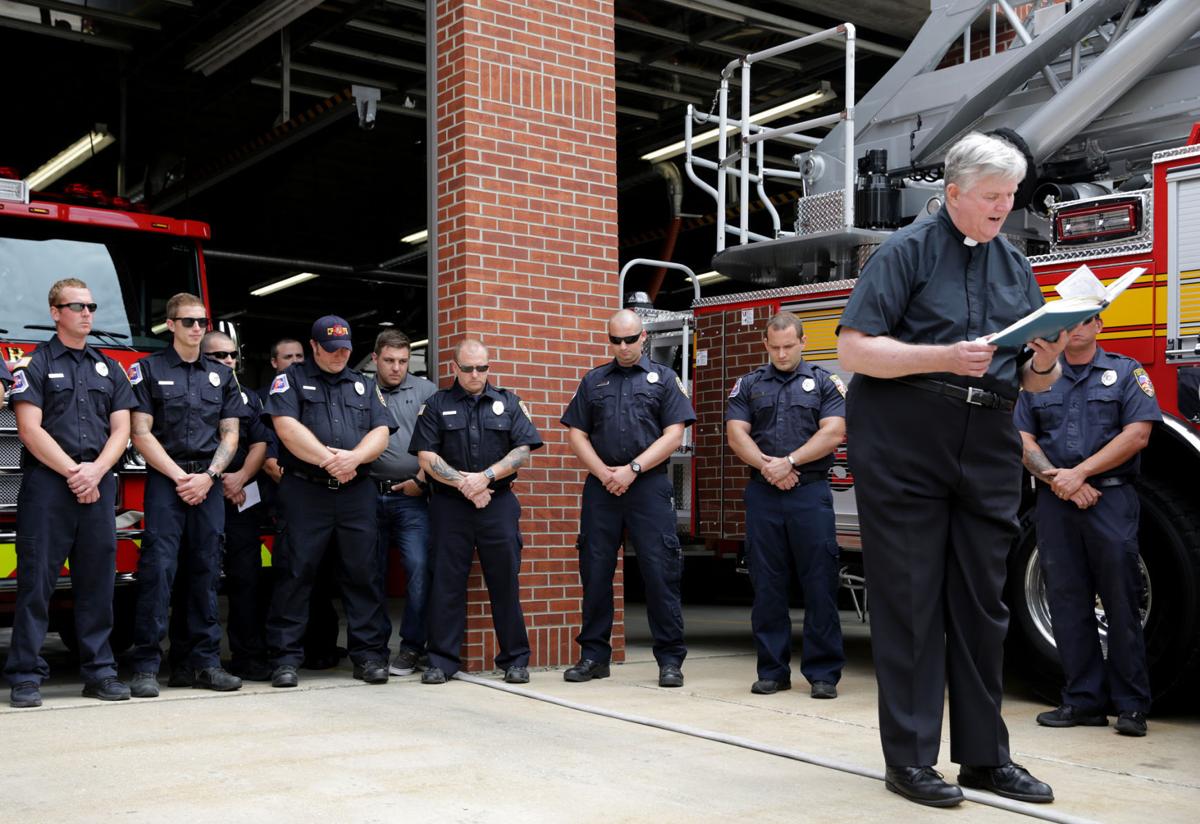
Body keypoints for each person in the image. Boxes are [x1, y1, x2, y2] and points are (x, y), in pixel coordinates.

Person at [836, 132, 1065, 808]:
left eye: (1011, 196)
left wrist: (1047, 355)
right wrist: (940, 357)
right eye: (992, 196)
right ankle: (909, 759)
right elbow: (855, 350)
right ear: (954, 192)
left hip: (989, 435)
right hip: (908, 436)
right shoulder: (902, 253)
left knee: (982, 605)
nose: (1004, 207)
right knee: (910, 602)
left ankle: (985, 759)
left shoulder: (1015, 266)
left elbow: (1035, 380)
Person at [1015, 314, 1160, 737]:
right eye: (1067, 322)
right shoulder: (1035, 375)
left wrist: (1079, 474)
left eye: (1084, 321)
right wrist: (1058, 480)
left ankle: (1131, 706)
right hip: (1055, 499)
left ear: (1099, 326)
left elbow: (1137, 434)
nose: (1074, 329)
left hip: (1110, 498)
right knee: (1066, 600)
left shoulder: (1125, 371)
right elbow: (1021, 438)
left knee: (1121, 598)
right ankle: (1082, 702)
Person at [4, 279, 137, 707]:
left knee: (98, 583)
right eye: (76, 306)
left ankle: (100, 671)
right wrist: (73, 473)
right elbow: (28, 429)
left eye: (91, 306)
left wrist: (96, 471)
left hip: (99, 483)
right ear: (55, 312)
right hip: (49, 486)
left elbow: (123, 429)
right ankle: (26, 674)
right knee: (36, 584)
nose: (86, 313)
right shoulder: (35, 365)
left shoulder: (109, 368)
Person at [560, 309, 692, 688]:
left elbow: (674, 434)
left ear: (644, 338)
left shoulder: (664, 379)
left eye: (630, 339)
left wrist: (631, 470)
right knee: (596, 572)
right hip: (602, 486)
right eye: (615, 340)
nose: (623, 347)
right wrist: (605, 473)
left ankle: (669, 660)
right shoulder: (594, 380)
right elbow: (576, 434)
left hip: (648, 485)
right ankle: (593, 657)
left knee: (659, 572)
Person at [263, 315, 395, 688]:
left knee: (363, 573)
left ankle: (369, 656)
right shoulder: (290, 380)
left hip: (356, 491)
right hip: (306, 491)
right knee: (295, 572)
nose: (340, 356)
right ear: (315, 347)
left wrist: (352, 460)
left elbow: (381, 430)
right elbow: (286, 428)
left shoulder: (362, 385)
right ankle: (285, 658)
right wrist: (329, 460)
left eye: (346, 349)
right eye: (332, 349)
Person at [128, 293, 245, 697]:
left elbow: (230, 432)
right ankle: (145, 666)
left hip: (208, 482)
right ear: (171, 324)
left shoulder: (221, 375)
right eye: (189, 321)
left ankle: (202, 664)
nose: (198, 327)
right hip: (167, 479)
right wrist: (182, 477)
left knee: (206, 570)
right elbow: (140, 432)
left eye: (202, 321)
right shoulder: (147, 369)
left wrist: (210, 475)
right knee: (158, 572)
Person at [726, 312, 846, 699]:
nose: (781, 353)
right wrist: (768, 466)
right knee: (767, 584)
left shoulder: (826, 383)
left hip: (809, 492)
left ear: (803, 342)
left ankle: (823, 674)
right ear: (766, 344)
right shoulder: (748, 384)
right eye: (774, 347)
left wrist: (790, 461)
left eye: (788, 346)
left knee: (820, 583)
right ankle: (772, 671)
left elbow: (834, 432)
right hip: (763, 493)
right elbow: (735, 434)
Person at [411, 338, 543, 685]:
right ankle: (442, 661)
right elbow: (426, 457)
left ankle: (515, 659)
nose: (475, 374)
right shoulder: (435, 405)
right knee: (446, 583)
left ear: (489, 366)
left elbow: (523, 451)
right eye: (468, 368)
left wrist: (484, 479)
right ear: (455, 368)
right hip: (450, 506)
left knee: (504, 582)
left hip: (497, 504)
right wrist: (466, 486)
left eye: (482, 367)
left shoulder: (509, 402)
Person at [202, 332, 274, 681]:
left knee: (247, 579)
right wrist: (217, 480)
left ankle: (249, 656)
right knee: (198, 576)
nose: (228, 361)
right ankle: (196, 659)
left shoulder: (249, 397)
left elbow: (262, 442)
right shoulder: (194, 387)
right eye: (219, 356)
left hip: (243, 497)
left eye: (232, 355)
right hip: (199, 494)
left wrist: (241, 476)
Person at [368, 330, 438, 676]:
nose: (396, 368)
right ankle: (373, 649)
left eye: (402, 361)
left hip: (412, 497)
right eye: (389, 361)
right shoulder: (361, 389)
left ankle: (412, 647)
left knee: (419, 569)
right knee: (369, 575)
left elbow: (439, 442)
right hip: (367, 495)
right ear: (375, 358)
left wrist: (421, 482)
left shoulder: (427, 391)